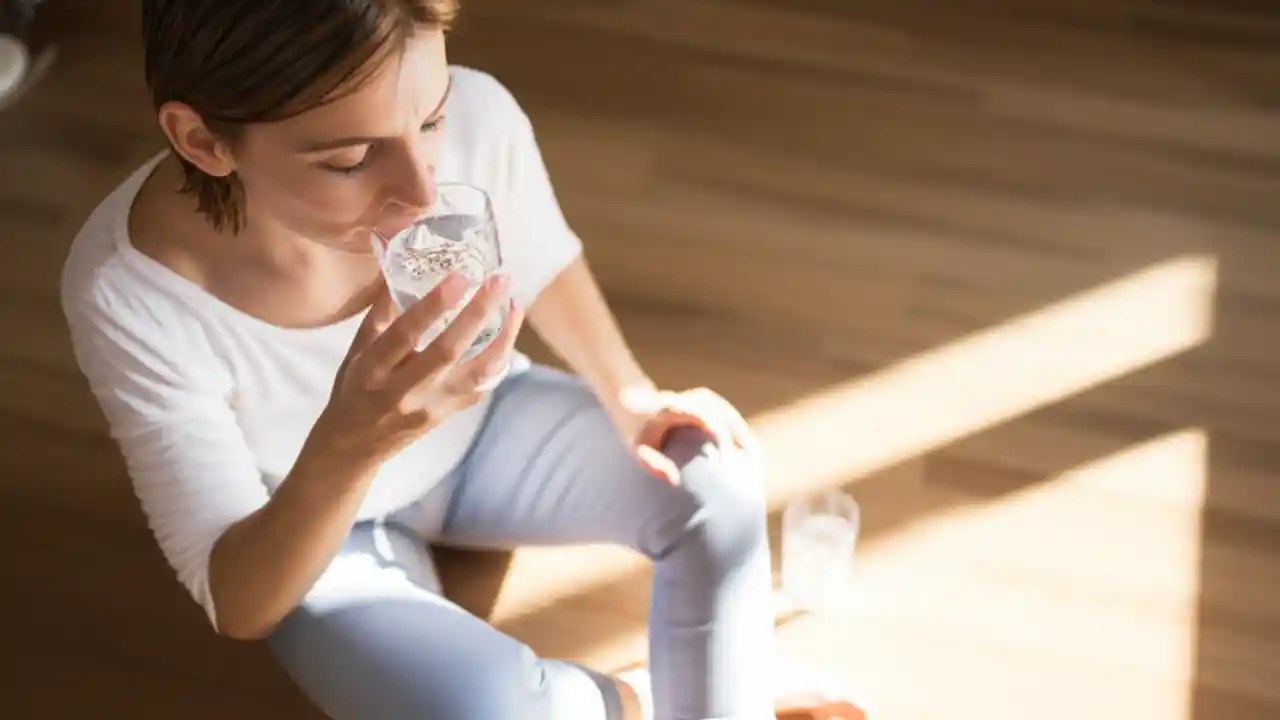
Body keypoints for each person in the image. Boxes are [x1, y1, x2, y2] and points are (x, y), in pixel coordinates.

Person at [61, 1, 866, 718]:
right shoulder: (128, 292)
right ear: (203, 140)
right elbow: (240, 602)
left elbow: (541, 255)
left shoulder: (481, 115)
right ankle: (651, 696)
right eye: (348, 160)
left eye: (432, 121)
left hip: (484, 433)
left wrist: (633, 396)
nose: (420, 188)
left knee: (713, 481)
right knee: (482, 706)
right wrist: (353, 441)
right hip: (321, 532)